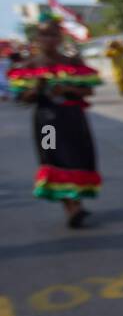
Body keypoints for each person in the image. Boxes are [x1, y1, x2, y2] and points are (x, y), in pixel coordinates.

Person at [8, 14, 102, 227]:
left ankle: (75, 203)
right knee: (53, 158)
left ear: (60, 37)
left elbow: (88, 90)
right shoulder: (28, 65)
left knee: (78, 159)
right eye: (44, 35)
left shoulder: (72, 62)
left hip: (73, 120)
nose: (48, 39)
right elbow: (22, 98)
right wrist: (35, 89)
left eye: (52, 35)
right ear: (37, 38)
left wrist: (67, 88)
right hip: (47, 123)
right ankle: (71, 207)